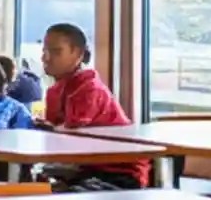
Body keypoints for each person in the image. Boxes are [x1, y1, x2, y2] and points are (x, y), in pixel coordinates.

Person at [36, 23, 147, 190]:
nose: (46, 58)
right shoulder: (54, 91)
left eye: (56, 52)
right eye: (44, 51)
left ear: (78, 54)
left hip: (119, 173)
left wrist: (48, 129)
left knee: (55, 193)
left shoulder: (89, 88)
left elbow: (70, 135)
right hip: (84, 169)